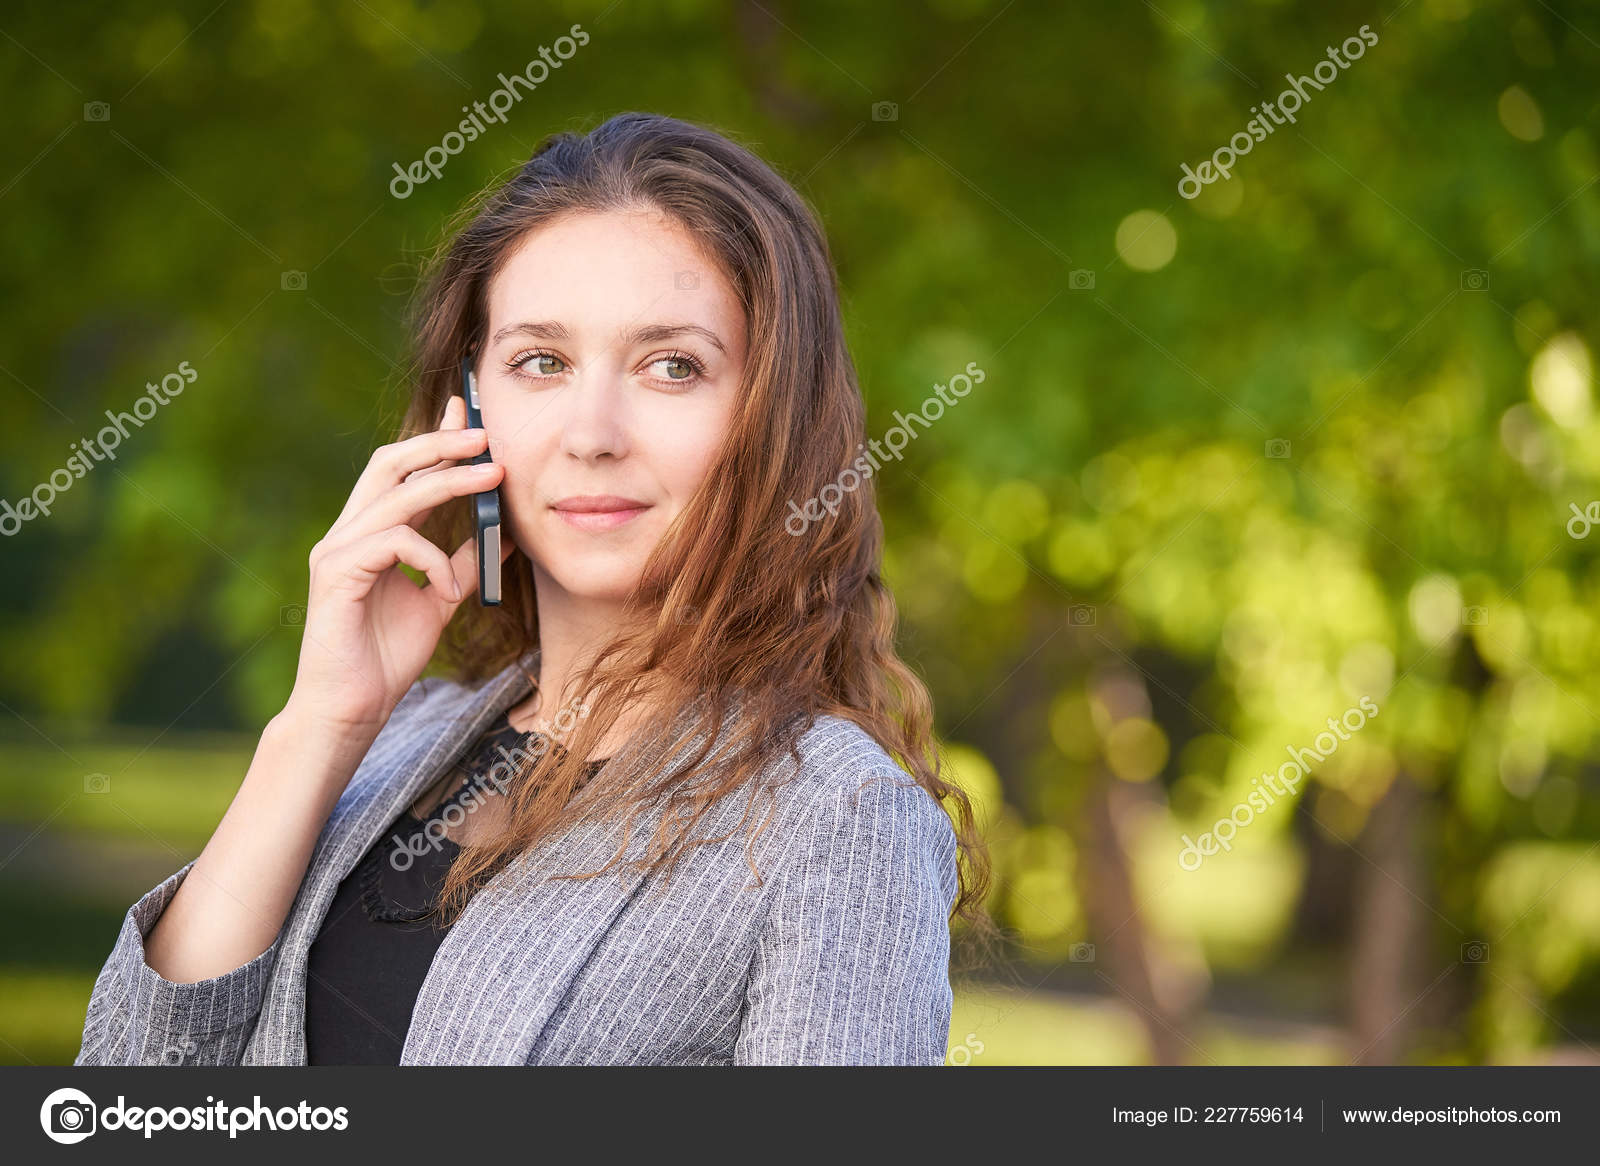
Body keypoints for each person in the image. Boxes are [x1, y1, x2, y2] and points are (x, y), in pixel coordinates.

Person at [75, 111, 992, 1067]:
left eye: (672, 367)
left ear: (774, 419)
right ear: (467, 412)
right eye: (540, 363)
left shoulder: (836, 819)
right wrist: (321, 722)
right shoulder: (396, 742)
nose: (591, 432)